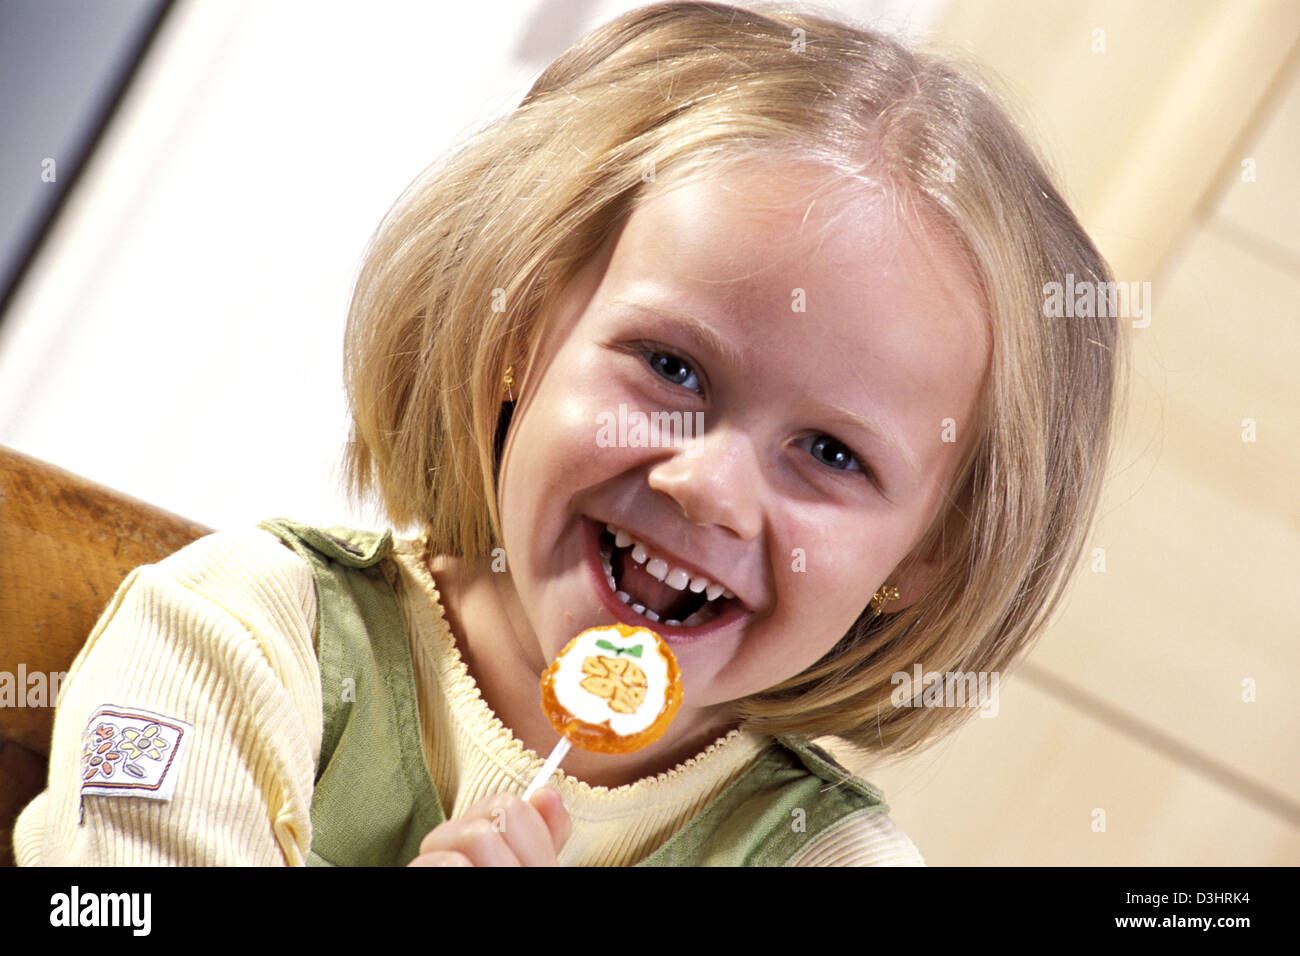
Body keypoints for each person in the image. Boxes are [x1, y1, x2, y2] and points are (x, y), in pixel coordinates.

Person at [14, 0, 1122, 867]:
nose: (710, 488)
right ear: (518, 332)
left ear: (923, 558)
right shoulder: (234, 634)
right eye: (674, 366)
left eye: (832, 453)